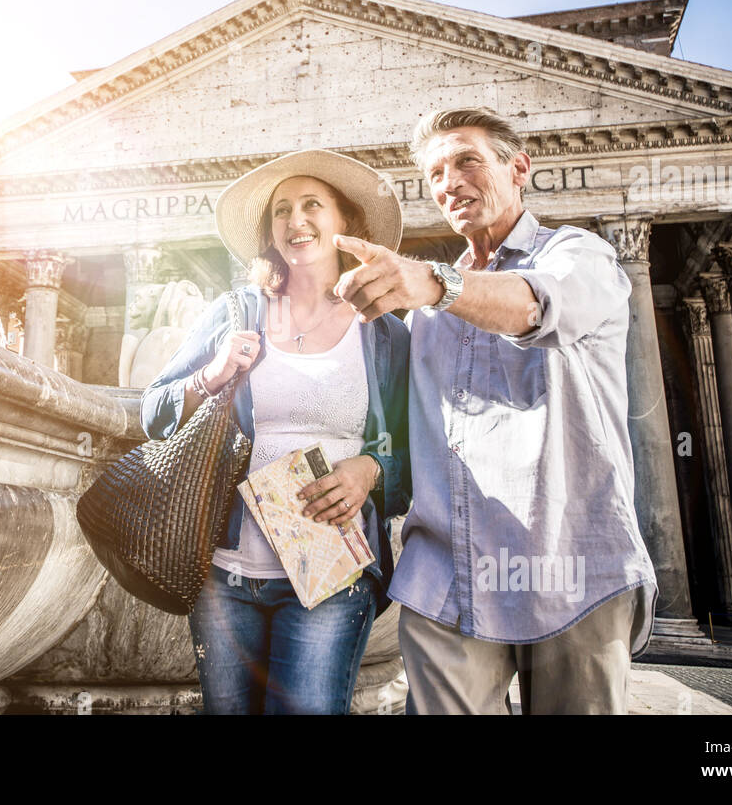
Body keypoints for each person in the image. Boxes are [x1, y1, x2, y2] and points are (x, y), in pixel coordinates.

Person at [330, 106, 658, 715]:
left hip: (569, 562)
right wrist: (368, 467)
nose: (449, 182)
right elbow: (398, 436)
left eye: (466, 161)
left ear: (518, 170)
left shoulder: (578, 254)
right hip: (448, 572)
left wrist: (435, 285)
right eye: (434, 175)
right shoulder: (425, 315)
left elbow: (538, 309)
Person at [140, 149, 412, 715]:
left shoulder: (385, 334)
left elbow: (420, 454)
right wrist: (213, 375)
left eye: (313, 205)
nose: (296, 220)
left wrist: (372, 469)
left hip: (332, 572)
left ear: (344, 223)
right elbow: (155, 413)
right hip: (224, 573)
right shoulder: (236, 311)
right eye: (281, 210)